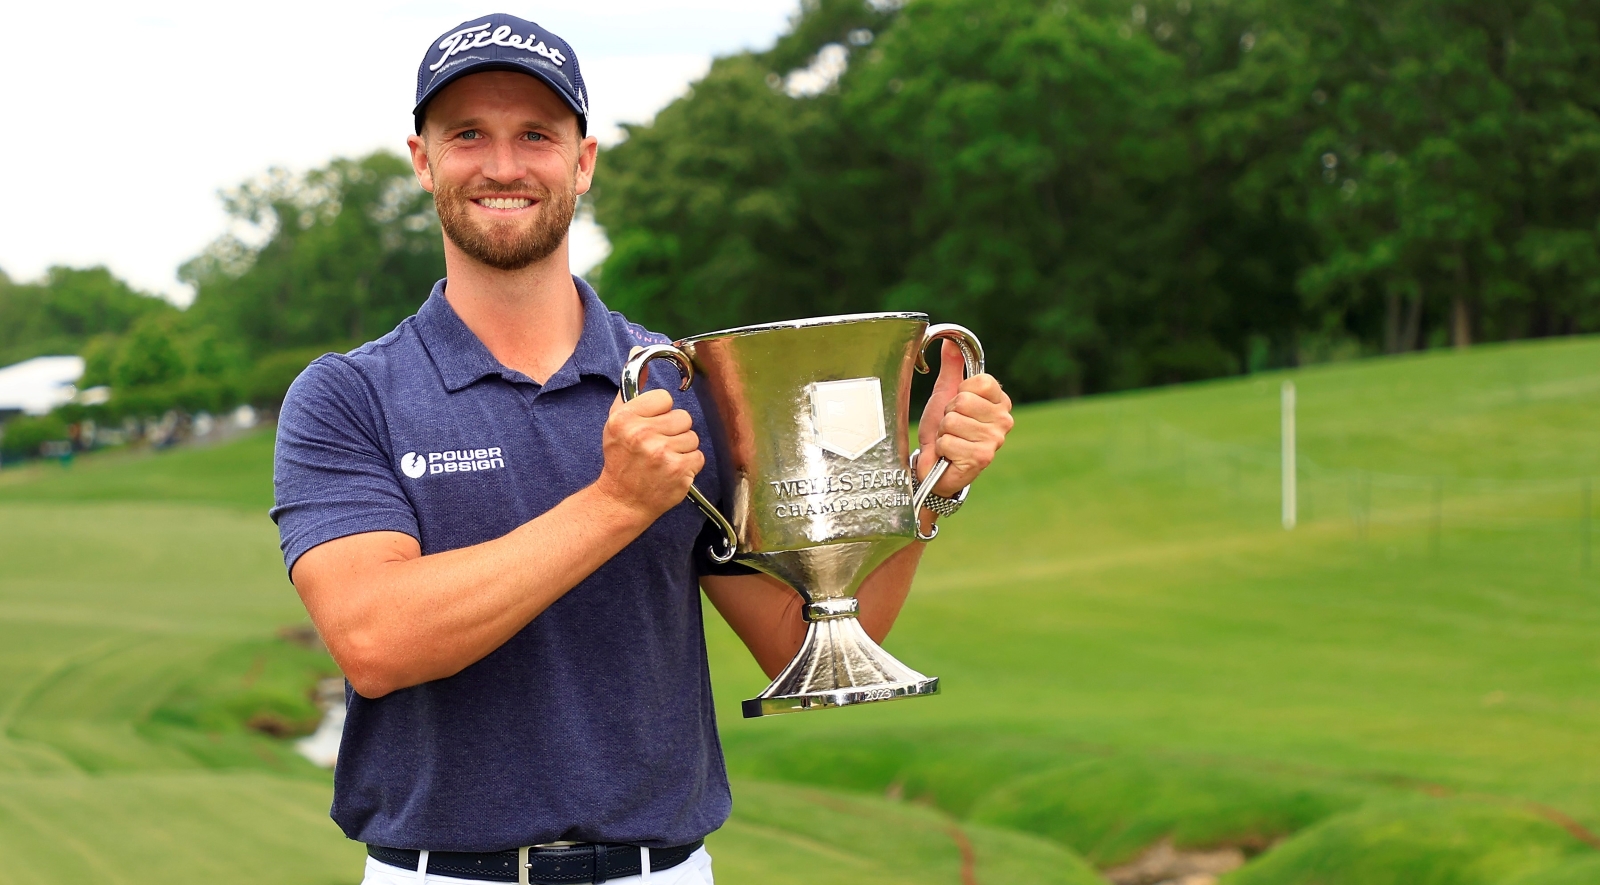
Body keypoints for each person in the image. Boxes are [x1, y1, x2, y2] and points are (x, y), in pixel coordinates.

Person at [271, 13, 1015, 885]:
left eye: (537, 136)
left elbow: (796, 640)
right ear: (422, 158)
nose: (504, 165)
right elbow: (375, 639)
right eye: (468, 134)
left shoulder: (686, 382)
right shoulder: (348, 394)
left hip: (660, 871)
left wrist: (918, 491)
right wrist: (615, 502)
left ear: (583, 162)